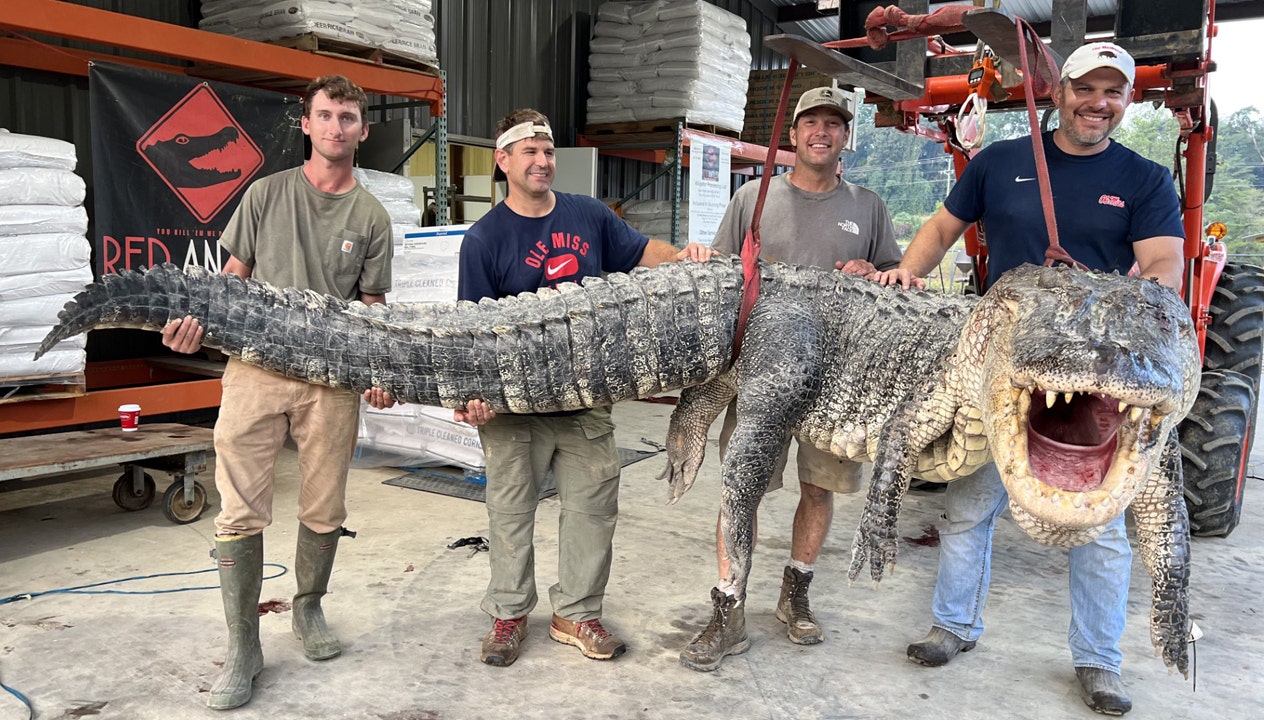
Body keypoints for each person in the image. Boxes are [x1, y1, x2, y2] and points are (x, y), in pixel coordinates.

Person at [875, 42, 1183, 716]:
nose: (1098, 103)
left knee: (1101, 527)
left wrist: (1139, 304)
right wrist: (908, 272)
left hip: (1093, 374)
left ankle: (1099, 660)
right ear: (1059, 92)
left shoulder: (1145, 179)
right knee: (968, 504)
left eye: (1113, 92)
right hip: (1005, 369)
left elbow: (1164, 264)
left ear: (1127, 101)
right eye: (1085, 89)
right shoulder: (1000, 162)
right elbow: (943, 227)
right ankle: (954, 625)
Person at [160, 75, 397, 711]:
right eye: (326, 115)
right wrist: (195, 328)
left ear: (362, 130)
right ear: (307, 123)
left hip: (331, 382)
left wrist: (379, 369)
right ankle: (243, 645)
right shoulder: (265, 194)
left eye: (348, 117)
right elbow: (229, 285)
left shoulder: (371, 217)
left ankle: (308, 608)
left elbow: (371, 309)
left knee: (325, 506)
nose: (336, 127)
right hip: (255, 372)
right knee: (239, 509)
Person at [453, 108, 713, 668]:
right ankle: (509, 613)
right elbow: (472, 332)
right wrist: (472, 398)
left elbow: (642, 252)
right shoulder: (483, 239)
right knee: (510, 513)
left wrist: (684, 256)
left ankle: (577, 613)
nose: (542, 161)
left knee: (593, 510)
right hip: (514, 410)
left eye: (548, 151)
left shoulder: (589, 215)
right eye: (530, 151)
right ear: (503, 161)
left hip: (585, 402)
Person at [680, 85, 902, 672]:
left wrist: (875, 271)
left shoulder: (869, 207)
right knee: (741, 488)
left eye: (834, 123)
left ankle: (795, 592)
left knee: (819, 489)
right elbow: (722, 279)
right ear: (794, 133)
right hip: (760, 377)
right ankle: (728, 606)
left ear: (846, 136)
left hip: (838, 383)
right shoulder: (753, 199)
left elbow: (895, 281)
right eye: (811, 122)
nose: (821, 132)